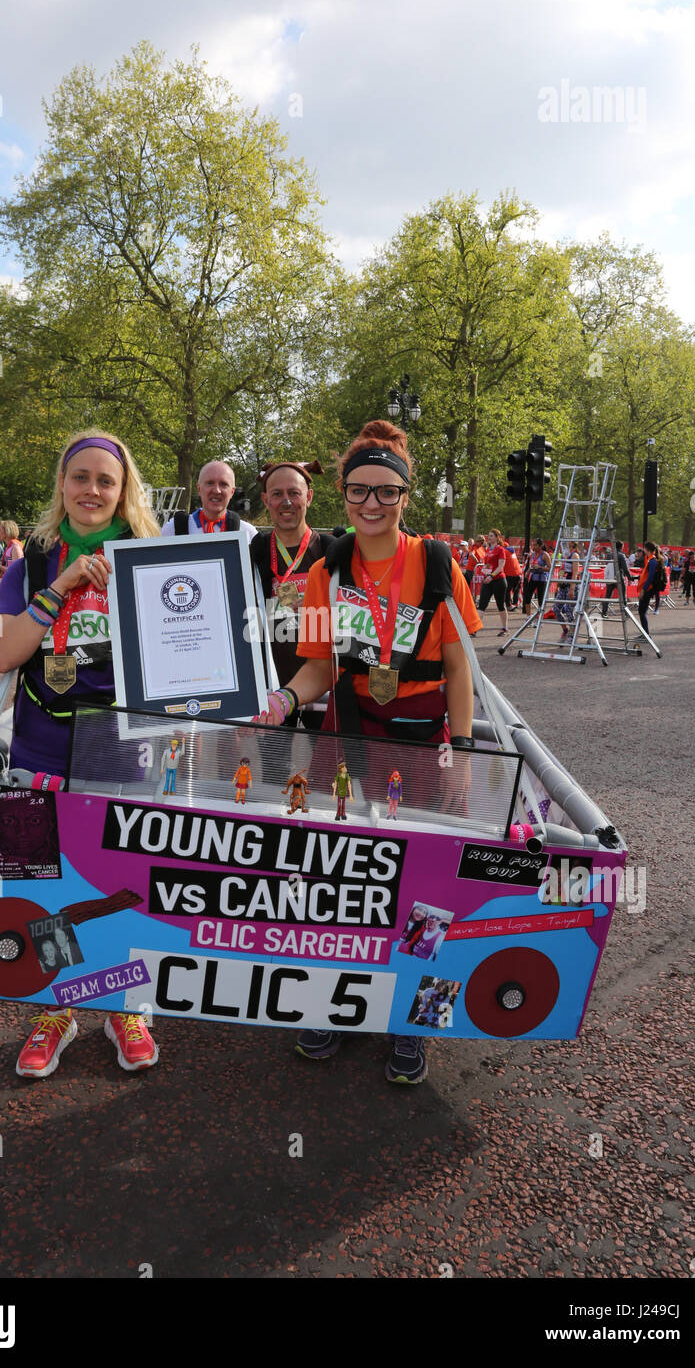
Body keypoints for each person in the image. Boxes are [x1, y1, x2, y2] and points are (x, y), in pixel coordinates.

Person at [255, 418, 481, 1084]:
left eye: (386, 491)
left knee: (430, 887)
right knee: (341, 878)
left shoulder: (436, 562)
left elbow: (461, 668)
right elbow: (320, 666)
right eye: (359, 492)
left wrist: (463, 749)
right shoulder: (327, 568)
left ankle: (418, 1020)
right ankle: (332, 1004)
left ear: (406, 494)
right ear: (345, 497)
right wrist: (285, 701)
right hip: (348, 733)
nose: (372, 504)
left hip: (421, 734)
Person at [0, 428, 161, 1078]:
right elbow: (4, 653)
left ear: (122, 494)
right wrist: (61, 583)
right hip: (40, 746)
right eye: (80, 477)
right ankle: (57, 1006)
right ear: (61, 485)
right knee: (49, 884)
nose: (92, 489)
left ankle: (124, 1003)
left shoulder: (149, 561)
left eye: (105, 481)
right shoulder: (28, 564)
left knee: (122, 881)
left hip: (122, 751)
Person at [249, 460, 332, 722]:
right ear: (265, 500)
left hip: (320, 686)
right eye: (277, 494)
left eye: (294, 493)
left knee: (326, 762)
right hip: (271, 686)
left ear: (308, 496)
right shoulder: (255, 552)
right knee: (272, 762)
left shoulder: (331, 550)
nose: (286, 502)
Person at [161, 460, 257, 539]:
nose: (216, 490)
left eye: (223, 484)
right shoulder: (172, 530)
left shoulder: (248, 533)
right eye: (210, 483)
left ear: (232, 492)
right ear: (199, 489)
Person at [477, 528, 509, 635]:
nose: (488, 537)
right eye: (488, 535)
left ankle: (504, 628)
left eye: (491, 536)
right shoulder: (488, 550)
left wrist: (492, 575)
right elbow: (488, 565)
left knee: (500, 605)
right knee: (482, 605)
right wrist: (484, 571)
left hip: (499, 580)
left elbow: (501, 566)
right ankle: (474, 629)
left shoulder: (500, 550)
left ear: (497, 538)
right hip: (488, 581)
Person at [553, 541, 581, 643]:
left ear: (572, 544)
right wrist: (557, 584)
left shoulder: (575, 555)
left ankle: (572, 634)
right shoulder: (565, 555)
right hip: (563, 585)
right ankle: (565, 630)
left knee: (569, 611)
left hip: (571, 585)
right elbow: (561, 570)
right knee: (556, 608)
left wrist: (572, 589)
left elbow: (575, 573)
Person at [636, 541, 661, 635]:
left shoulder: (653, 561)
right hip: (647, 589)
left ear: (647, 549)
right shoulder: (649, 559)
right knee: (641, 611)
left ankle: (646, 634)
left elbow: (650, 577)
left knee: (642, 611)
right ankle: (645, 634)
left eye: (644, 548)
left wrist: (643, 590)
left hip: (648, 589)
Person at [601, 541, 631, 618]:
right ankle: (625, 613)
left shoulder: (610, 555)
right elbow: (625, 568)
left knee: (607, 596)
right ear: (622, 547)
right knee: (623, 597)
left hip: (610, 578)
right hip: (619, 578)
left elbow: (607, 565)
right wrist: (629, 577)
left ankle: (604, 613)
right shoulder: (621, 555)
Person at [503, 540, 522, 611]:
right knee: (516, 590)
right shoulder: (512, 552)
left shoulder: (504, 552)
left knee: (507, 590)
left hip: (509, 573)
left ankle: (508, 605)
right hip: (518, 573)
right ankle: (515, 604)